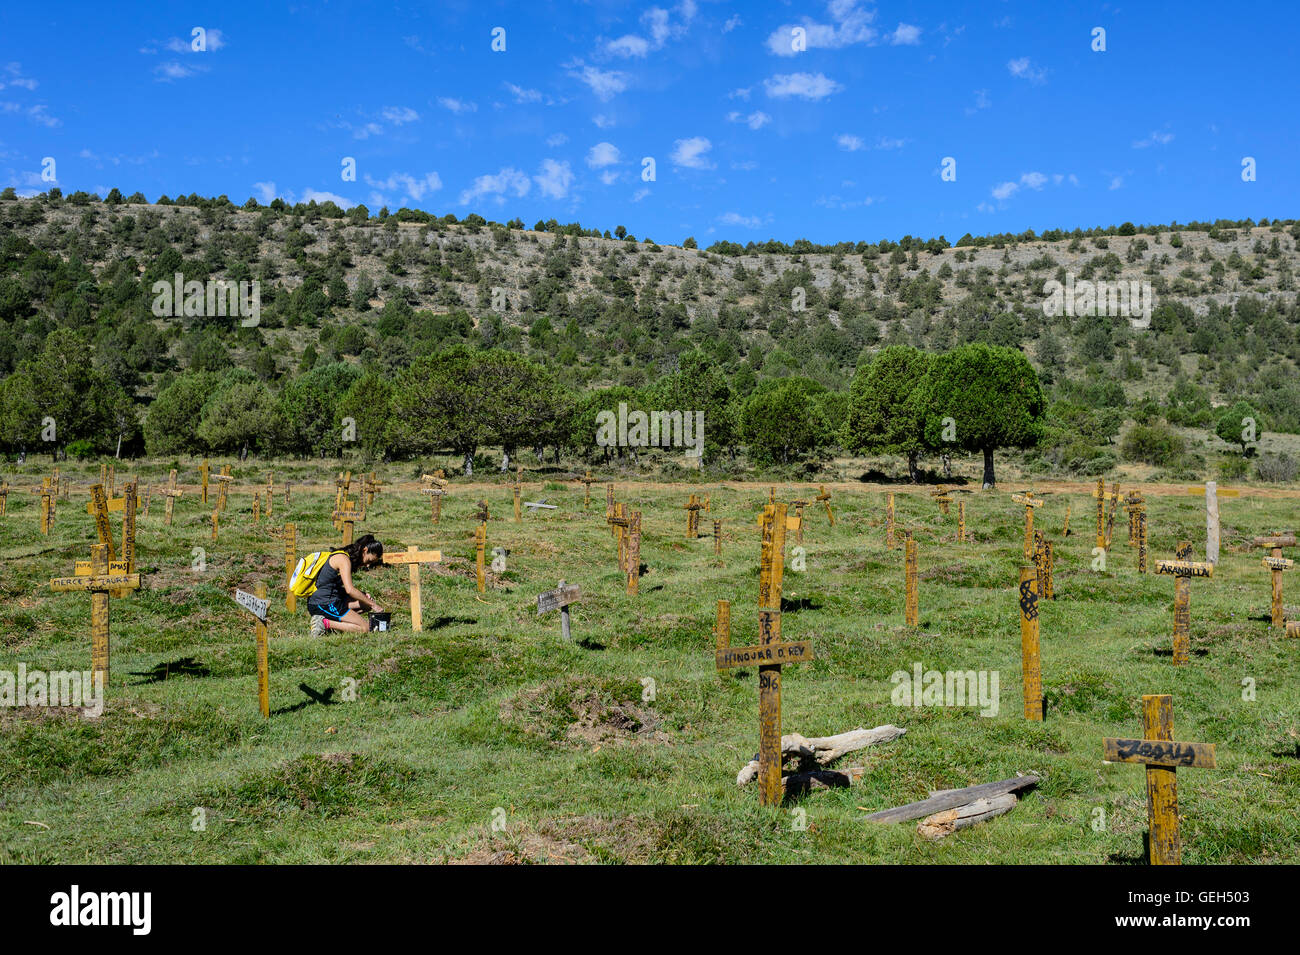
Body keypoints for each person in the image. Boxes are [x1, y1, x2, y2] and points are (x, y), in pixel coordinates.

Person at [308, 534, 385, 634]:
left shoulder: (345, 557)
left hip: (329, 600)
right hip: (323, 603)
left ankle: (336, 625)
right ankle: (324, 622)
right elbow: (350, 590)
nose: (368, 565)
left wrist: (363, 597)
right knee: (365, 628)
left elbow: (333, 586)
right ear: (364, 550)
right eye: (369, 560)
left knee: (365, 604)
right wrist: (374, 605)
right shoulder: (343, 559)